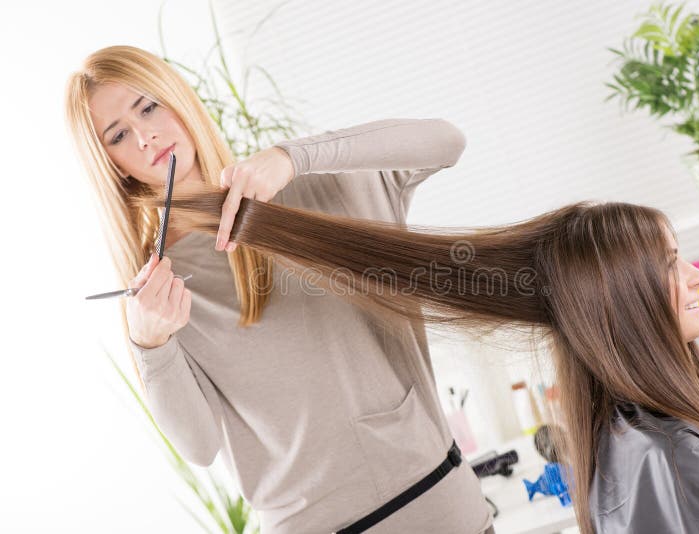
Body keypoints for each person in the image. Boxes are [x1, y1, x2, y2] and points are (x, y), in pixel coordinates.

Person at [151, 188, 699, 533]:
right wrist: (148, 343)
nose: (694, 276)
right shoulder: (669, 463)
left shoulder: (668, 440)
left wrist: (290, 158)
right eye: (667, 264)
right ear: (619, 299)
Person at [65, 45, 495, 534]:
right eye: (119, 135)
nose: (145, 136)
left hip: (444, 507)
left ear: (178, 98)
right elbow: (200, 447)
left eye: (148, 106)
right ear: (112, 164)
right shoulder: (156, 299)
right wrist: (150, 345)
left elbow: (446, 141)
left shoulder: (309, 189)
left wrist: (293, 157)